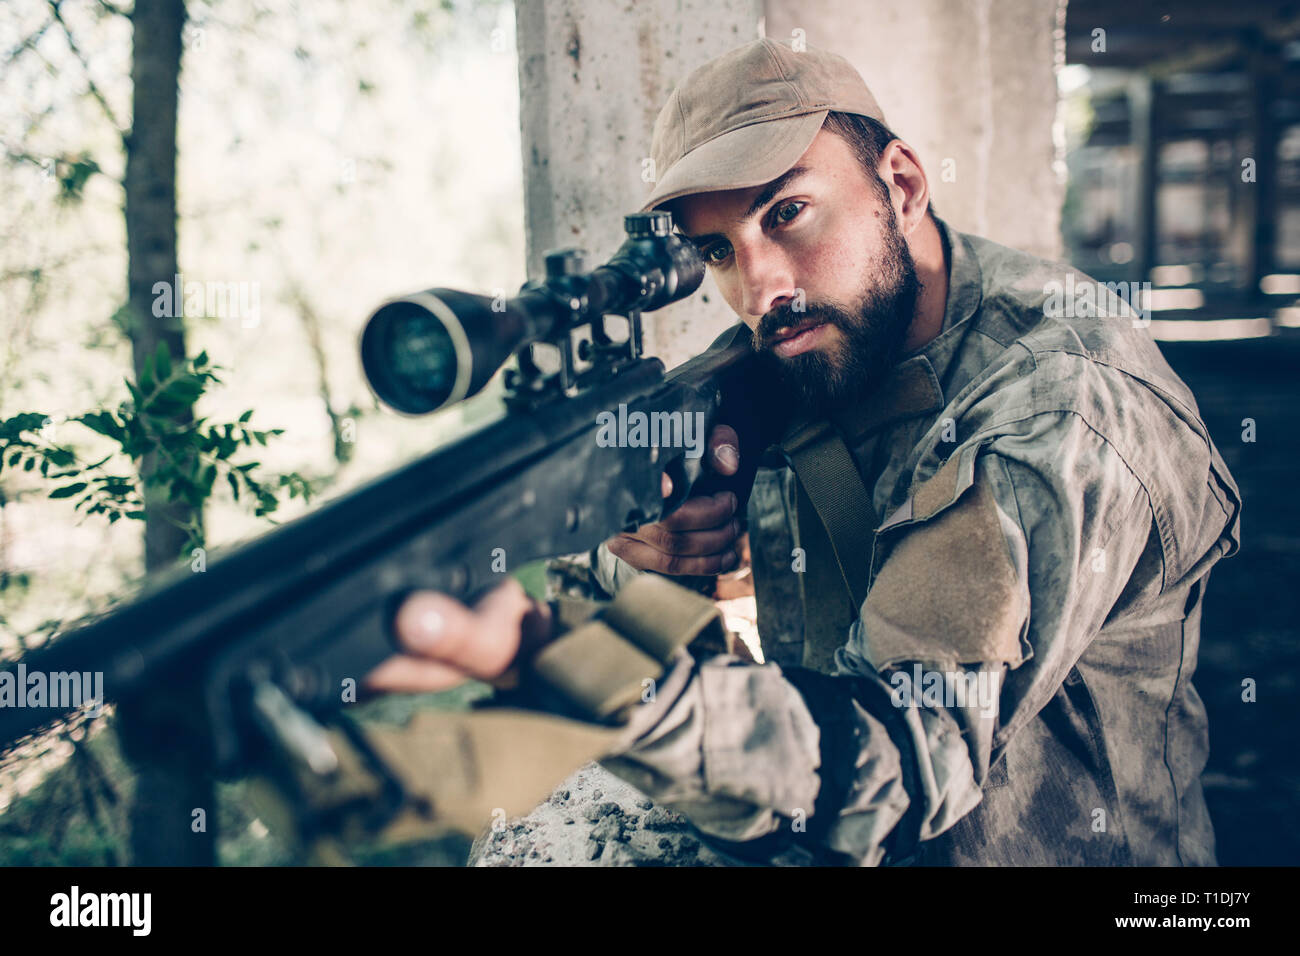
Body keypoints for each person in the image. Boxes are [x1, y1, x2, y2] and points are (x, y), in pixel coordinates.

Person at [365, 38, 1241, 865]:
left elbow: (902, 763)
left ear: (899, 185)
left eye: (787, 214)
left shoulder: (1060, 408)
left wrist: (554, 665)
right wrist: (652, 559)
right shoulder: (787, 358)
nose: (761, 289)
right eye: (719, 251)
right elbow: (643, 597)